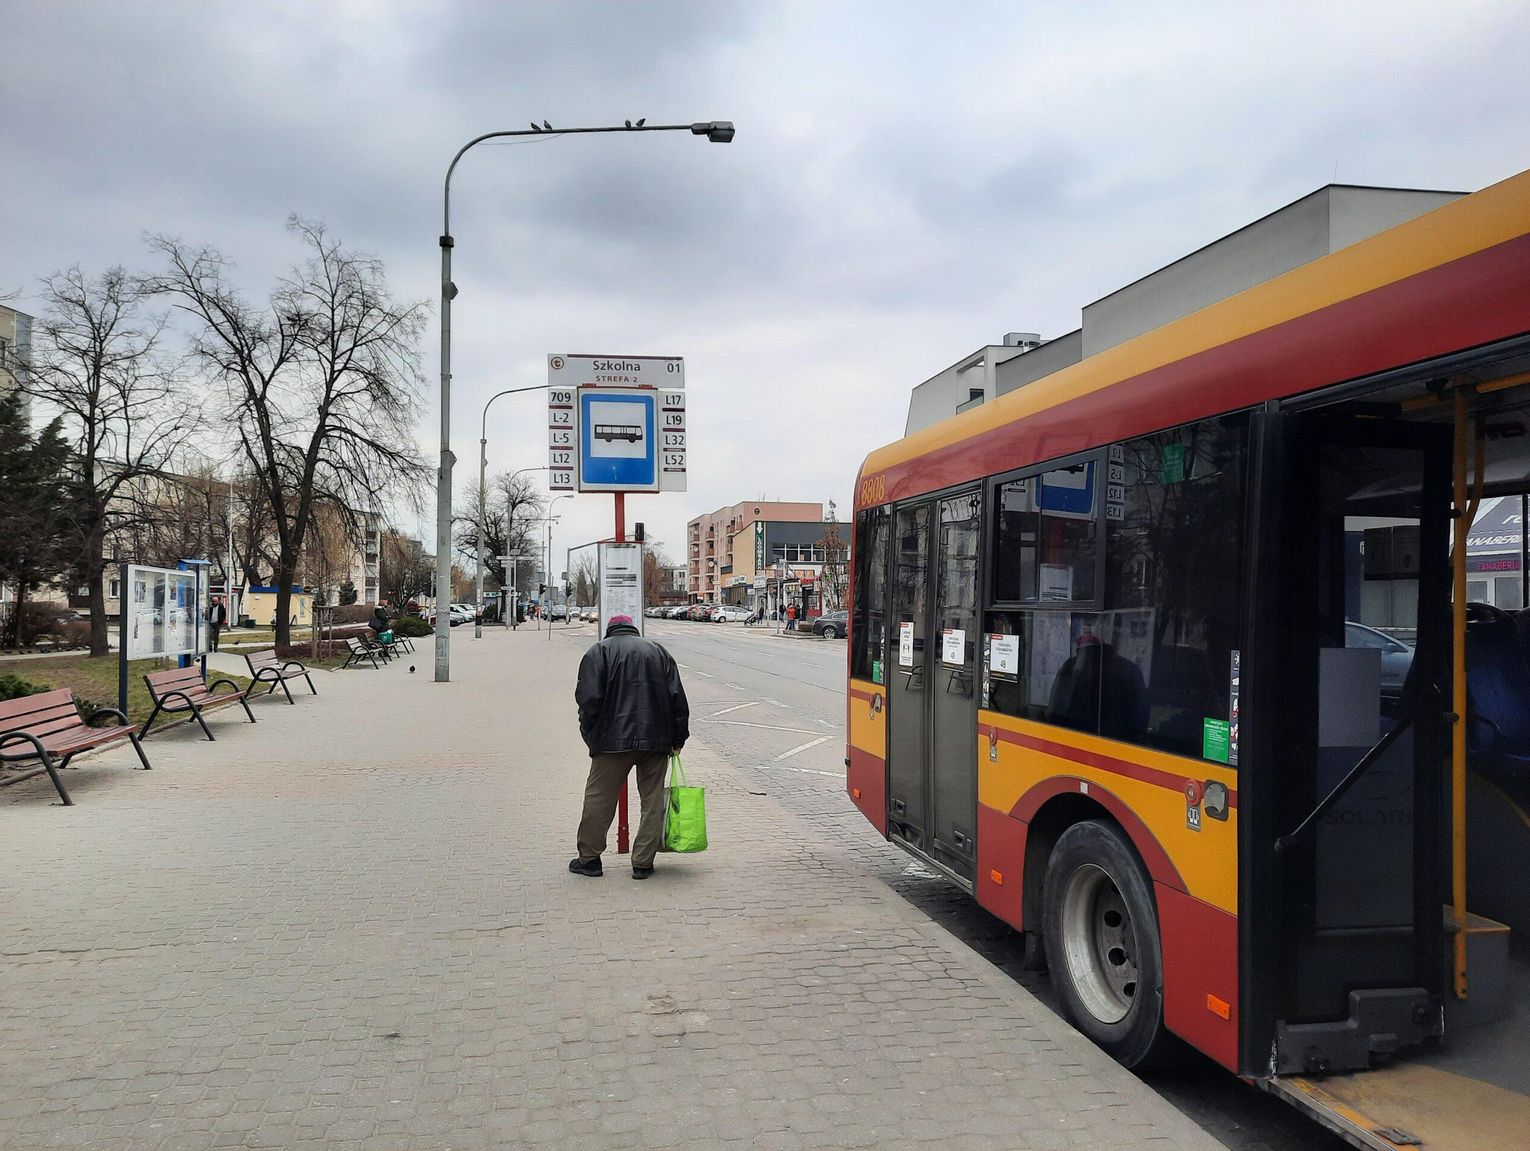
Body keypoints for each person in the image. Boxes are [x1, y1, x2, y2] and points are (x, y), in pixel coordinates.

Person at [571, 614, 690, 880]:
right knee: (653, 801)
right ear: (633, 629)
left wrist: (591, 737)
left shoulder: (598, 652)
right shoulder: (658, 652)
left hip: (611, 743)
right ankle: (643, 863)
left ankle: (589, 859)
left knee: (599, 799)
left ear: (610, 630)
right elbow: (677, 699)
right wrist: (678, 739)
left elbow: (588, 701)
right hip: (656, 741)